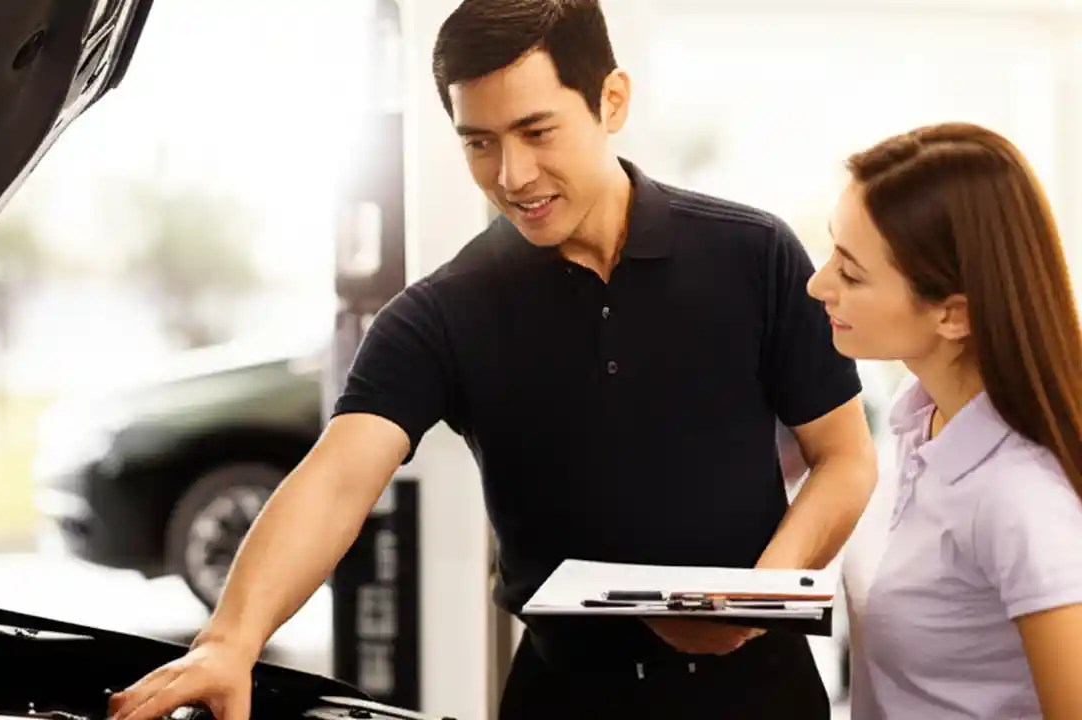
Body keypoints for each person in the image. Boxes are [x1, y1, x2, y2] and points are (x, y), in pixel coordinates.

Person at [108, 1, 877, 718]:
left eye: (537, 132)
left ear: (611, 101)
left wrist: (755, 600)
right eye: (480, 141)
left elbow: (844, 459)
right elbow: (338, 478)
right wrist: (230, 640)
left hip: (763, 695)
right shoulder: (444, 312)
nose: (511, 176)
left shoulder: (754, 252)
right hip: (564, 697)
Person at [807, 122, 1082, 719]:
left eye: (850, 273)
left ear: (952, 316)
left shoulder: (1020, 499)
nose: (818, 284)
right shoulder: (920, 425)